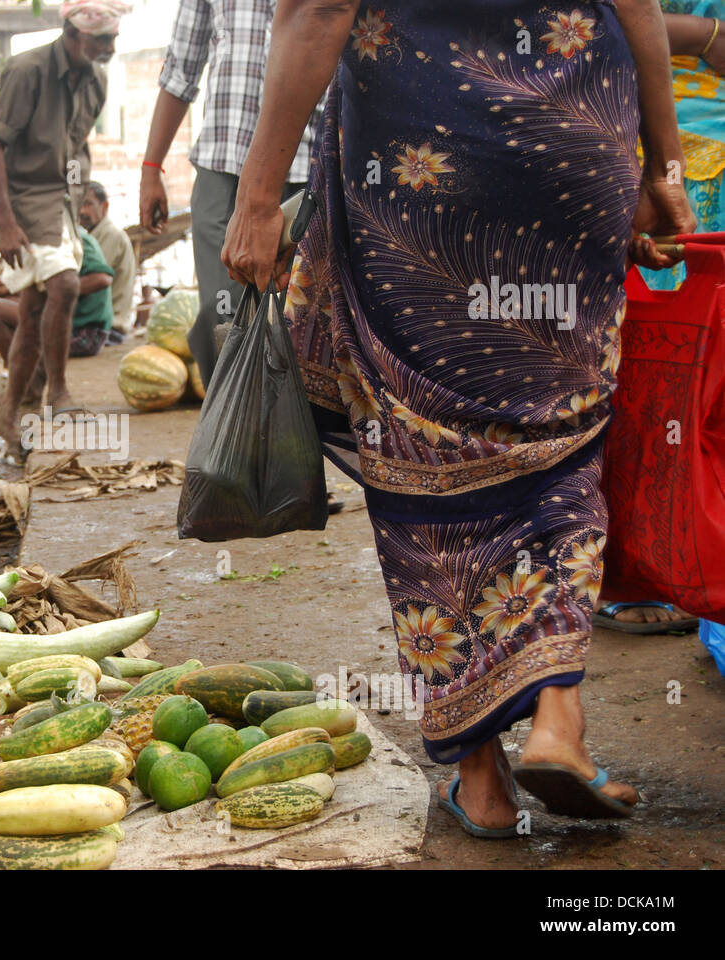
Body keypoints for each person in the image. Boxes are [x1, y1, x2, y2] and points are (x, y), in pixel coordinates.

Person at [223, 0, 694, 834]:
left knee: (423, 436)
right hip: (573, 141)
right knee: (563, 427)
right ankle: (559, 717)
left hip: (424, 159)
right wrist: (665, 166)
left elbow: (321, 7)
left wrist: (258, 196)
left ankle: (482, 780)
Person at [588, 0, 725, 635]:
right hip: (649, 157)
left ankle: (698, 553)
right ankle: (637, 562)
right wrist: (707, 37)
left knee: (708, 395)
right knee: (645, 376)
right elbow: (591, 15)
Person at [140, 0, 326, 390]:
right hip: (222, 166)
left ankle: (290, 436)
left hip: (307, 163)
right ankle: (230, 432)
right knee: (221, 310)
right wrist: (151, 168)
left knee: (301, 315)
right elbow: (180, 72)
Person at [0, 0, 129, 462]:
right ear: (73, 34)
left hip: (62, 197)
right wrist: (6, 221)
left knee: (35, 306)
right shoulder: (26, 71)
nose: (111, 46)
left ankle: (9, 413)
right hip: (23, 196)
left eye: (113, 37)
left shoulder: (97, 80)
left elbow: (77, 142)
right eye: (103, 39)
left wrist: (74, 196)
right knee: (64, 283)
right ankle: (59, 394)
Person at [0, 226, 117, 374]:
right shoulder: (49, 238)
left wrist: (57, 292)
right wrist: (9, 287)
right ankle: (27, 374)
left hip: (86, 334)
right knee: (8, 302)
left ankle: (25, 379)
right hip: (73, 326)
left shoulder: (74, 238)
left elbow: (102, 278)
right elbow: (42, 292)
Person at [79, 181, 138, 340]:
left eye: (88, 204)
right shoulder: (93, 235)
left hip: (108, 328)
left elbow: (96, 279)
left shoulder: (110, 235)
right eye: (79, 204)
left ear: (104, 206)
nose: (82, 211)